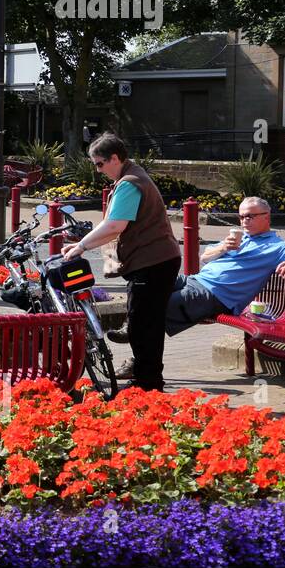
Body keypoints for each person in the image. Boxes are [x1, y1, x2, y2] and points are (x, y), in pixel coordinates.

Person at [107, 197, 285, 349]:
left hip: (216, 295)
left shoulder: (277, 246)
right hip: (195, 280)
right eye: (241, 217)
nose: (244, 221)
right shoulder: (240, 238)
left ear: (266, 217)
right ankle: (131, 328)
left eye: (250, 216)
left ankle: (138, 357)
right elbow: (205, 257)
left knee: (158, 308)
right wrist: (223, 248)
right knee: (146, 284)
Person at [60, 133, 180, 391]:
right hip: (158, 260)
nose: (97, 169)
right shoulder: (132, 177)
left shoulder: (130, 183)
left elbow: (115, 225)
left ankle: (148, 385)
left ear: (115, 158)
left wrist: (81, 247)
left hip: (153, 262)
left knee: (143, 325)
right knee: (145, 323)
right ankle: (148, 380)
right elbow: (112, 225)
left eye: (99, 163)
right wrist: (85, 242)